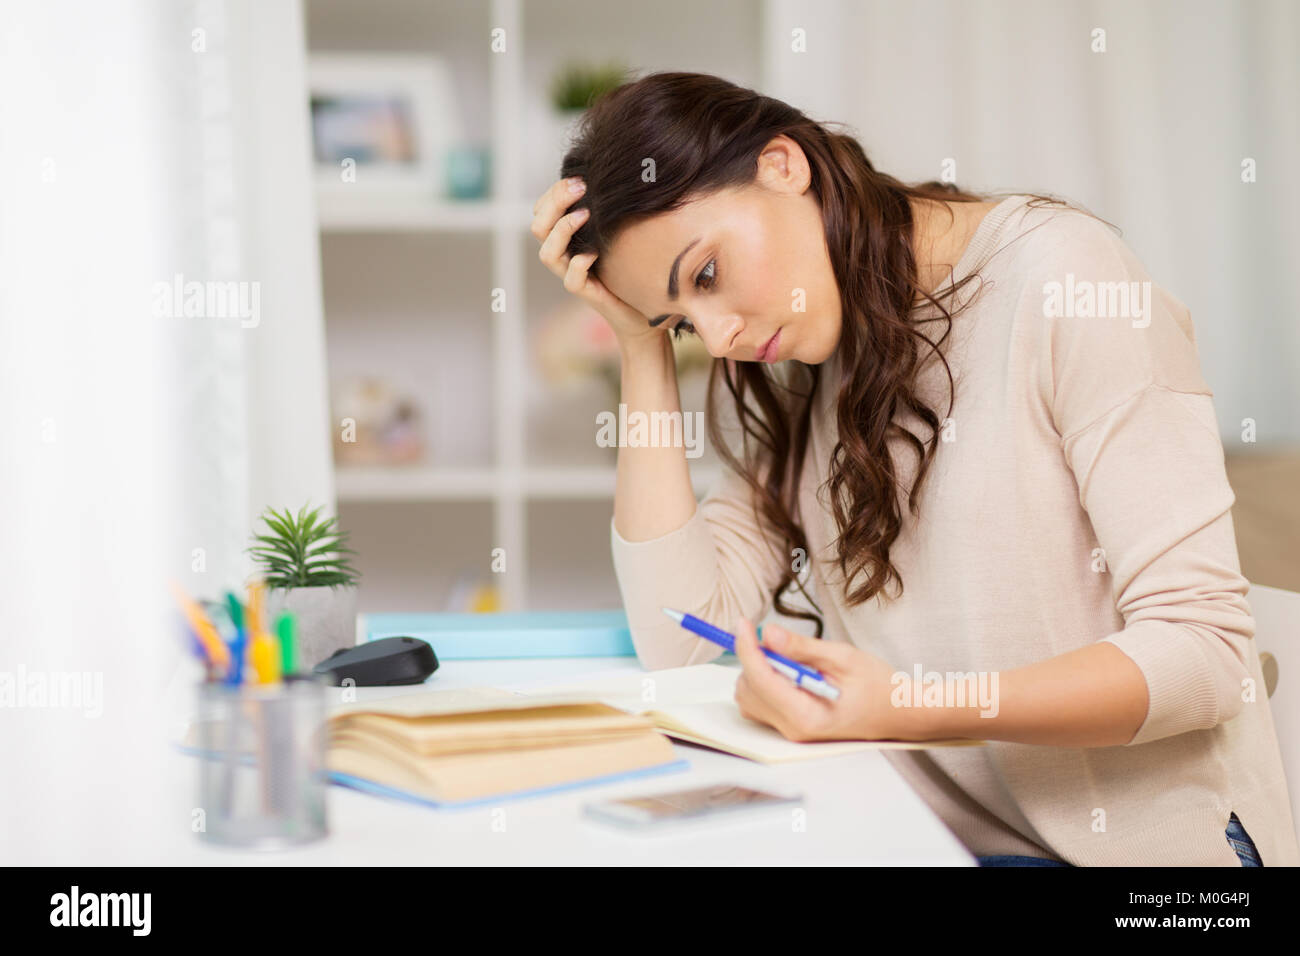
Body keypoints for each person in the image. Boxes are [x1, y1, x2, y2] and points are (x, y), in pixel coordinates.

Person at [530, 70, 1296, 867]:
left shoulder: (1065, 280)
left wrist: (905, 705)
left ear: (783, 166)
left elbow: (1205, 656)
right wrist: (641, 343)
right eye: (684, 320)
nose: (717, 338)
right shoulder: (818, 353)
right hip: (937, 845)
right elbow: (678, 634)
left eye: (708, 275)